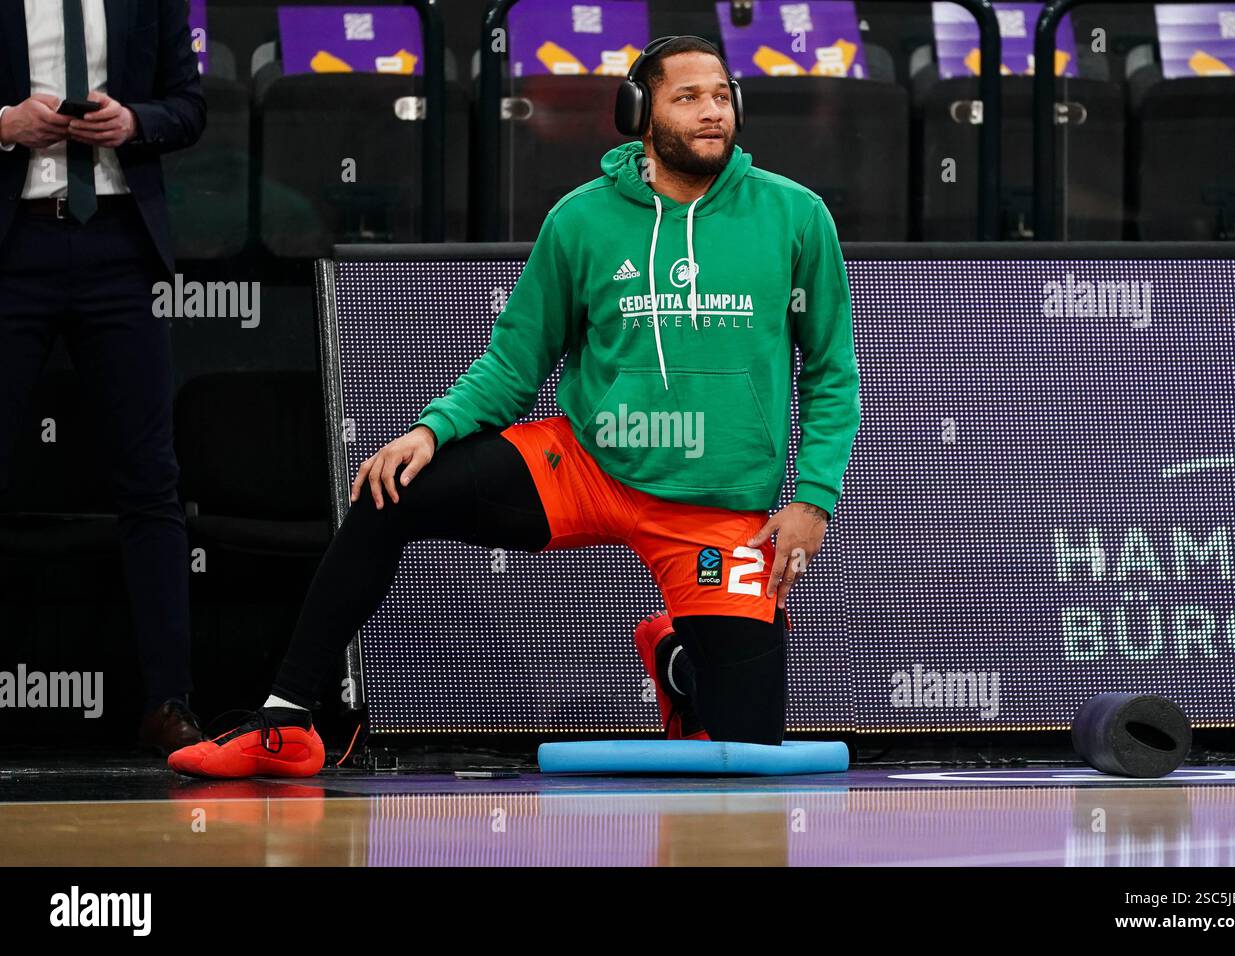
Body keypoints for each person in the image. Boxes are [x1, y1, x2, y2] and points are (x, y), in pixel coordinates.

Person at [168, 35, 860, 779]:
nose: (712, 112)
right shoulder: (580, 220)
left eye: (721, 96)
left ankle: (680, 658)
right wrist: (433, 430)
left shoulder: (796, 216)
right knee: (389, 491)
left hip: (716, 507)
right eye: (687, 97)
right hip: (590, 463)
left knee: (747, 760)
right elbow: (514, 361)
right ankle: (287, 720)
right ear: (640, 112)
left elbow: (831, 371)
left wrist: (813, 499)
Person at [0, 1, 206, 754]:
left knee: (151, 482)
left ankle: (168, 705)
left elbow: (189, 107)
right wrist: (5, 125)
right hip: (11, 245)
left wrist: (132, 123)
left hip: (119, 243)